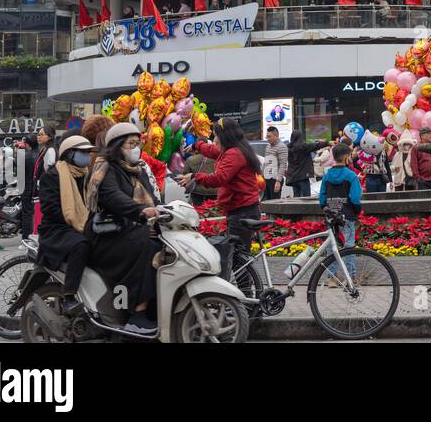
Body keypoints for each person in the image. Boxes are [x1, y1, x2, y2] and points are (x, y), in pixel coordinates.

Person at [84, 123, 161, 335]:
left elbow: (153, 198)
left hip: (129, 230)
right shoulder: (105, 168)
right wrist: (140, 211)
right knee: (146, 246)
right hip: (107, 235)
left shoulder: (137, 171)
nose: (136, 148)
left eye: (138, 143)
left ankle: (155, 308)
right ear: (117, 146)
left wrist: (162, 210)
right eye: (131, 144)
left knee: (162, 245)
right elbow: (112, 197)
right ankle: (137, 314)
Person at [179, 118, 263, 269]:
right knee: (239, 256)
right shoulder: (234, 149)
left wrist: (194, 177)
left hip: (242, 212)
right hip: (242, 210)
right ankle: (246, 289)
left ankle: (246, 291)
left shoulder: (234, 153)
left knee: (239, 259)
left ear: (224, 136)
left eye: (216, 135)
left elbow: (220, 178)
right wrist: (197, 145)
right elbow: (213, 150)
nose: (214, 139)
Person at [37, 135, 94, 314]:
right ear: (69, 154)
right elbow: (50, 209)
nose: (87, 156)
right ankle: (69, 295)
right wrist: (78, 224)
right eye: (83, 152)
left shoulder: (87, 175)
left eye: (88, 152)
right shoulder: (53, 176)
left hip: (81, 225)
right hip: (57, 229)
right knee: (81, 245)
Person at [318, 143, 362, 247]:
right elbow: (355, 197)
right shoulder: (351, 176)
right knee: (348, 245)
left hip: (331, 215)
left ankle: (331, 263)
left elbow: (322, 196)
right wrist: (357, 210)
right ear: (346, 157)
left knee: (332, 246)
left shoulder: (327, 176)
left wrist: (324, 206)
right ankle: (347, 264)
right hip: (347, 214)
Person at [21, 126, 57, 237]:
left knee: (39, 215)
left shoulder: (50, 150)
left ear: (49, 136)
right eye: (38, 134)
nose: (39, 137)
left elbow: (49, 170)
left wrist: (41, 183)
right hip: (39, 188)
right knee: (37, 215)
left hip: (43, 189)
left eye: (41, 134)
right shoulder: (45, 149)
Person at [285, 131, 326, 199]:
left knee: (296, 198)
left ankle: (296, 209)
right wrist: (327, 143)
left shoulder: (289, 149)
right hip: (303, 177)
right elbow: (316, 145)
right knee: (307, 198)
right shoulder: (303, 147)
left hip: (293, 178)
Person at [261, 126, 287, 200]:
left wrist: (278, 181)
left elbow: (283, 165)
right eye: (267, 136)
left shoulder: (282, 147)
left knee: (274, 203)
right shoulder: (268, 146)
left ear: (276, 136)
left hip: (275, 179)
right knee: (266, 202)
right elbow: (266, 162)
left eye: (269, 136)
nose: (267, 138)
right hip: (266, 178)